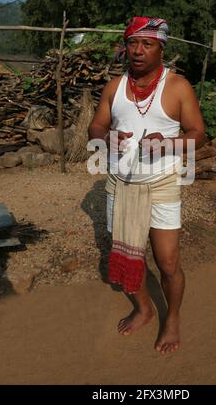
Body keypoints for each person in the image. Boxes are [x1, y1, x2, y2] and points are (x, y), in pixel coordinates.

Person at [88, 17, 205, 354]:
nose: (137, 51)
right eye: (132, 43)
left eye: (147, 44)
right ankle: (144, 308)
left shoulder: (178, 86)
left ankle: (172, 318)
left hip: (163, 184)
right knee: (125, 251)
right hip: (120, 184)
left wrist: (168, 145)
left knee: (167, 261)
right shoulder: (115, 87)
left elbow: (198, 134)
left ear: (160, 48)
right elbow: (95, 127)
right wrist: (108, 138)